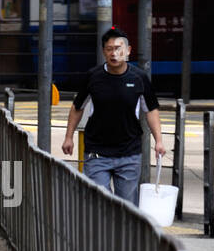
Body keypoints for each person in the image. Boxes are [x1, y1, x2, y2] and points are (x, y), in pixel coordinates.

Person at [60, 28, 165, 205]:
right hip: (97, 153)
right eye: (109, 49)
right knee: (100, 202)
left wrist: (159, 140)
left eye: (118, 48)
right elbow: (77, 107)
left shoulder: (139, 78)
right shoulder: (93, 77)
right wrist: (68, 136)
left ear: (128, 51)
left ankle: (124, 234)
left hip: (129, 153)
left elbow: (151, 110)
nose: (114, 53)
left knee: (127, 207)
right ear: (103, 52)